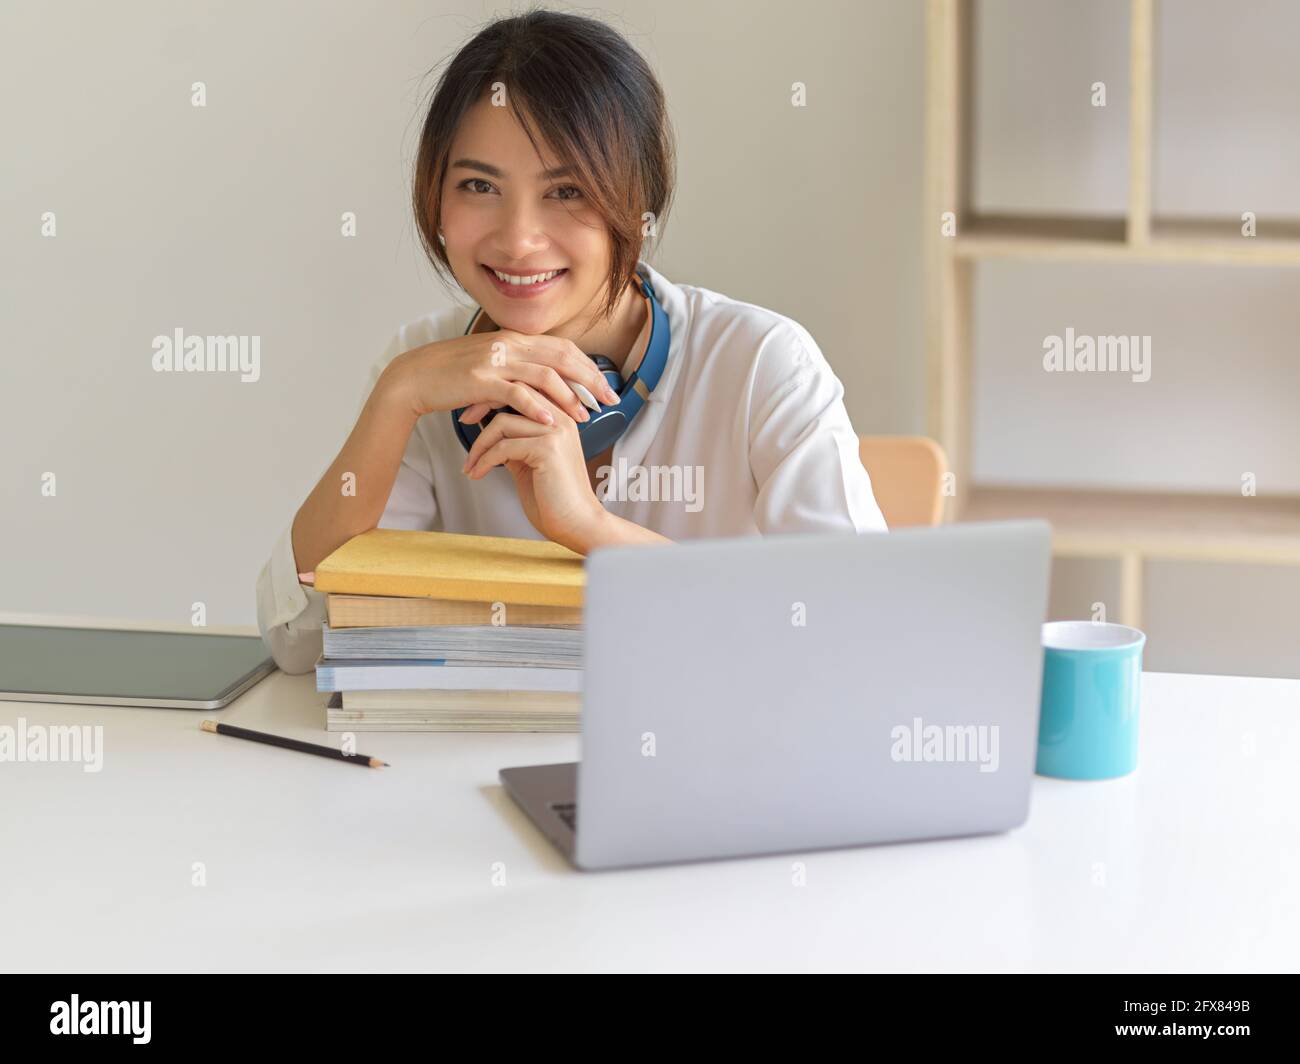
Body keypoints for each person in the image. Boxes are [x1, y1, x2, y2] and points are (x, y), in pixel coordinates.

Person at [256, 9, 887, 674]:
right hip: (474, 768)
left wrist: (593, 530)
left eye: (566, 190)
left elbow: (863, 637)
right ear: (434, 197)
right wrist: (394, 399)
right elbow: (299, 642)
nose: (518, 239)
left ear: (639, 199)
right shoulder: (425, 370)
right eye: (478, 186)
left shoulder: (761, 363)